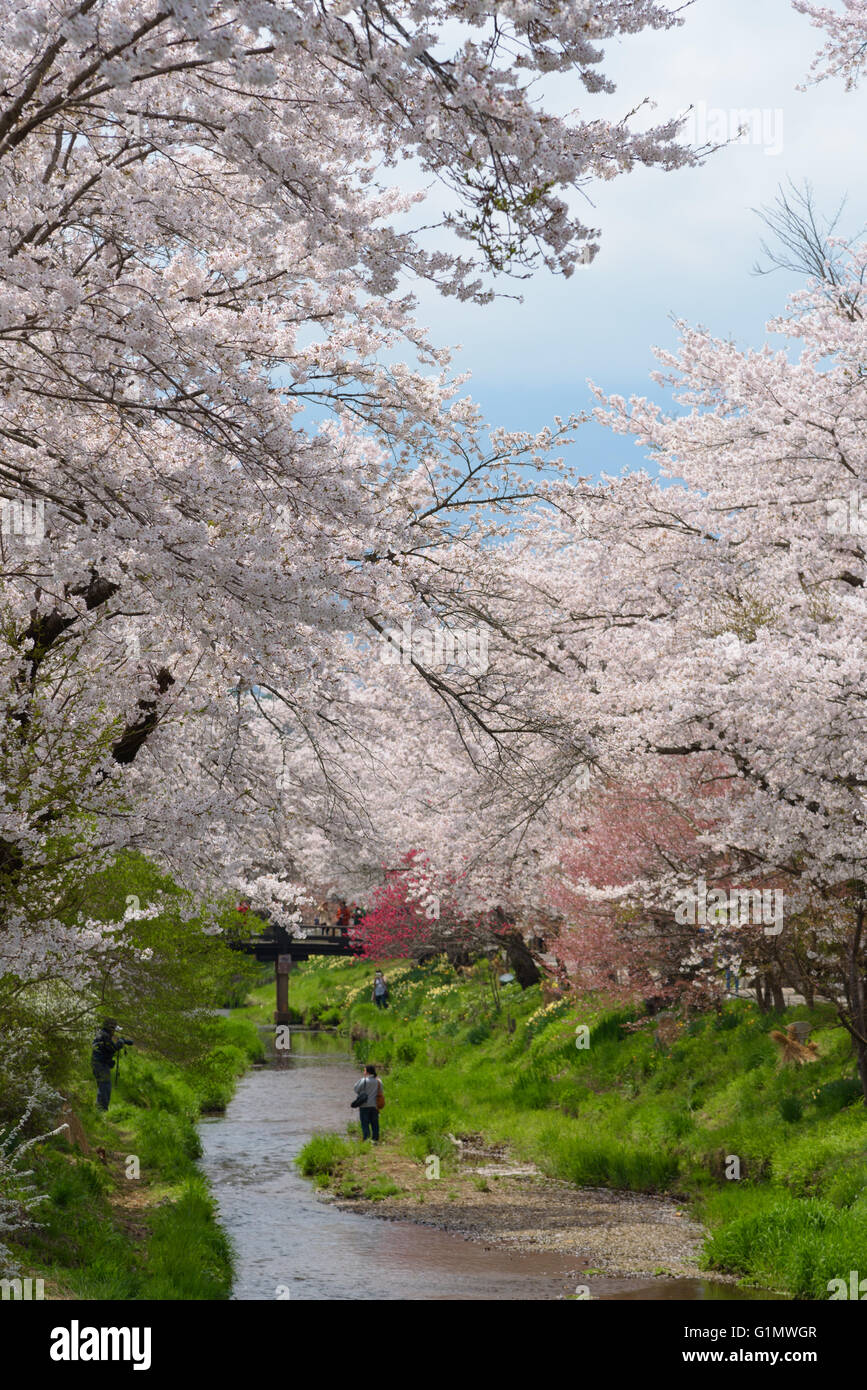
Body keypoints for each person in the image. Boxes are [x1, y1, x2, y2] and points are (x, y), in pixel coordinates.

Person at [91, 1018, 134, 1111]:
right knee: (105, 1086)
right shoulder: (104, 1036)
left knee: (102, 1085)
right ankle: (102, 1109)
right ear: (110, 1028)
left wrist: (123, 1041)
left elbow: (108, 1048)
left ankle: (100, 1108)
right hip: (101, 1064)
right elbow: (112, 1048)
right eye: (114, 1029)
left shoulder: (101, 1034)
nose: (114, 1032)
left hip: (98, 1063)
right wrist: (120, 1043)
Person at [354, 1065, 383, 1142]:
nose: (363, 1072)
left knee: (365, 1123)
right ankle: (375, 1139)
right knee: (375, 1123)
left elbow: (356, 1089)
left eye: (364, 1070)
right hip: (375, 1106)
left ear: (367, 1072)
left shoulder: (364, 1080)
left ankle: (366, 1139)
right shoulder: (379, 1081)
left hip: (364, 1105)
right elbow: (381, 1092)